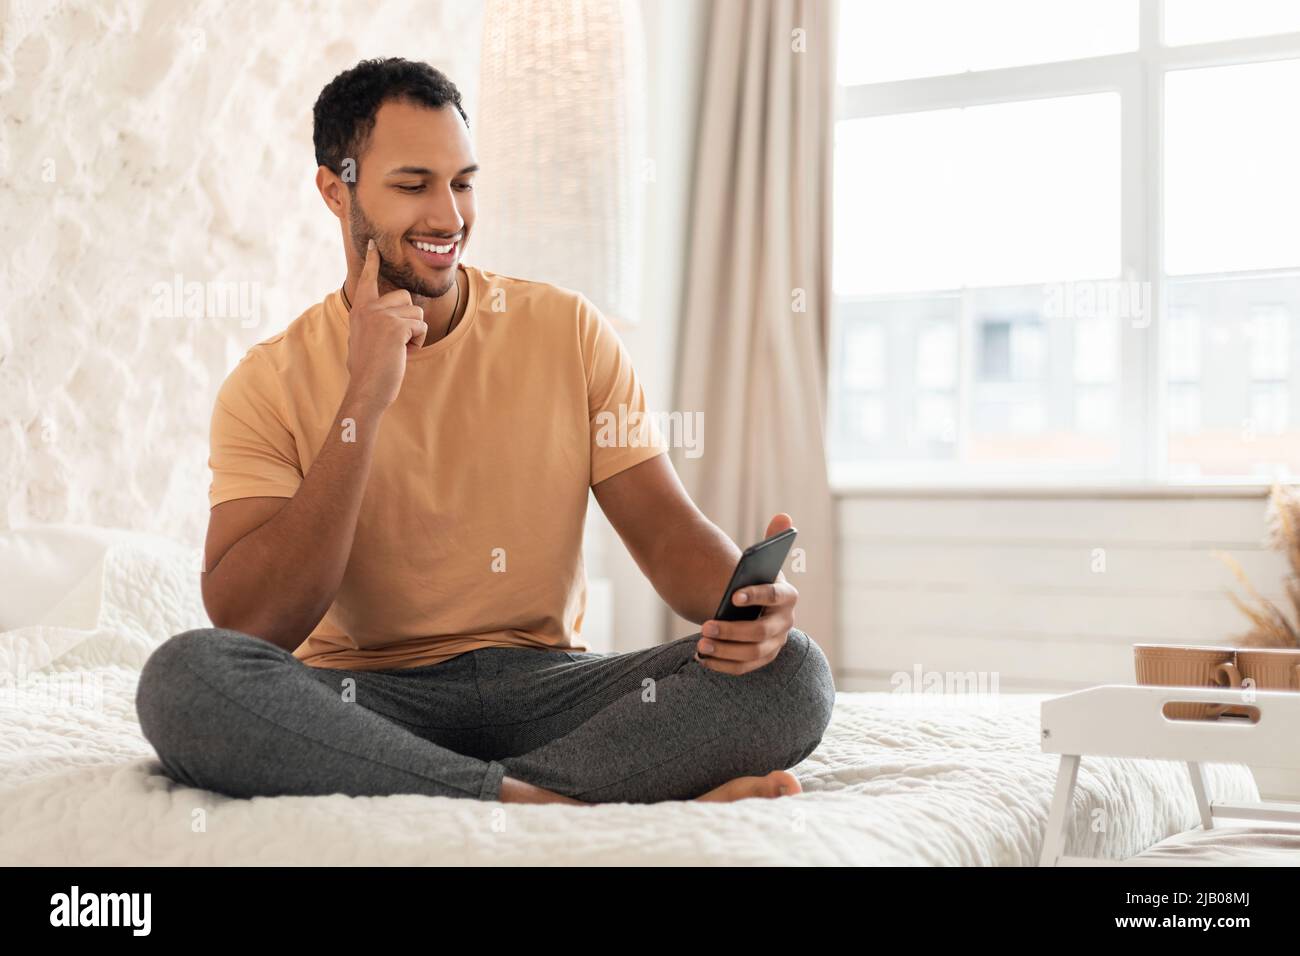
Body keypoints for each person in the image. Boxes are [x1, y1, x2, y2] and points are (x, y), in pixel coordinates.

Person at [134, 56, 835, 806]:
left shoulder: (567, 329)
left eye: (462, 182)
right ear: (336, 191)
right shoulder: (266, 382)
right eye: (413, 185)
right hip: (363, 705)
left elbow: (666, 535)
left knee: (795, 672)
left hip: (550, 694)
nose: (449, 217)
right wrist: (363, 403)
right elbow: (252, 623)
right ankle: (552, 799)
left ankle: (510, 795)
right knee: (186, 678)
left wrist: (746, 607)